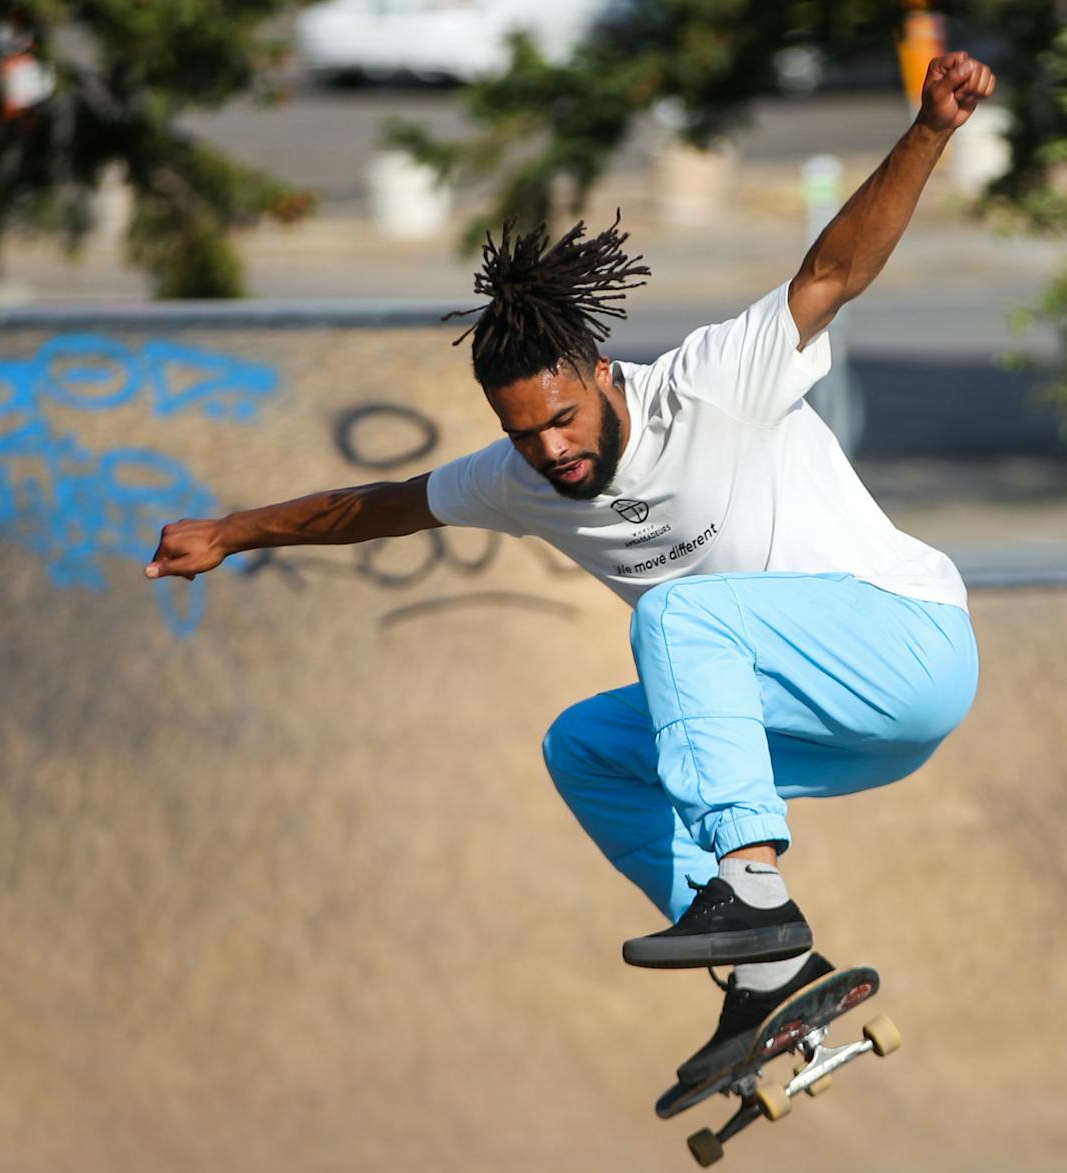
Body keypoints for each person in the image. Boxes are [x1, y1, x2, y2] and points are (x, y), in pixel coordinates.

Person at [145, 53, 996, 1095]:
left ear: (600, 372)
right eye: (524, 433)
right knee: (586, 747)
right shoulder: (521, 479)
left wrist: (930, 128)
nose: (551, 450)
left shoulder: (708, 386)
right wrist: (234, 532)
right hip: (837, 730)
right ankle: (769, 971)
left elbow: (833, 274)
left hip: (910, 645)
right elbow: (389, 504)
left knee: (679, 619)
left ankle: (754, 891)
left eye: (562, 418)